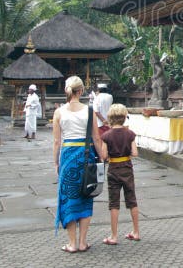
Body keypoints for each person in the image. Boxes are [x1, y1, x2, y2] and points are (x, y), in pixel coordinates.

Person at [53, 75, 103, 253]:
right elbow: (96, 138)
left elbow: (57, 142)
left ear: (66, 90)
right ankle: (83, 242)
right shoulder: (89, 111)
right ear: (81, 91)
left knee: (69, 197)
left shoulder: (59, 112)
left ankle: (72, 243)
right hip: (86, 156)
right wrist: (102, 158)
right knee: (85, 196)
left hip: (67, 157)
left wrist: (56, 162)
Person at [100, 103, 140, 245]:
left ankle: (114, 236)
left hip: (113, 169)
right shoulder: (130, 134)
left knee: (114, 203)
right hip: (127, 167)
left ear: (110, 117)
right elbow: (135, 153)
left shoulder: (106, 136)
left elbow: (104, 156)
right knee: (132, 199)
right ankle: (136, 232)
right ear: (124, 117)